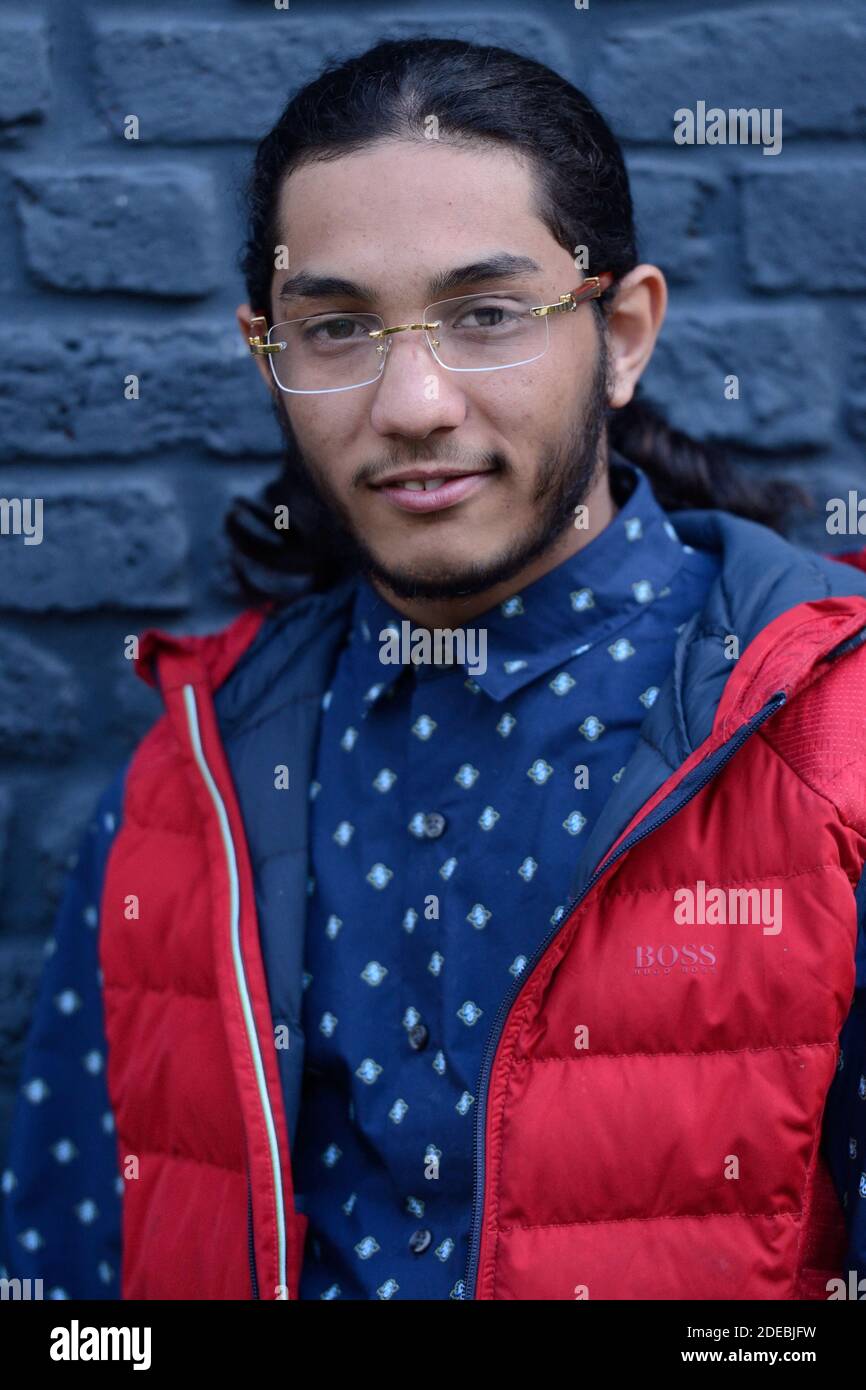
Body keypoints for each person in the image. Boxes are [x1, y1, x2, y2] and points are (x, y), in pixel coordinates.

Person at [2, 36, 865, 1302]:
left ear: (619, 336)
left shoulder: (826, 733)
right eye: (339, 327)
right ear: (270, 359)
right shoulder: (192, 777)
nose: (411, 400)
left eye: (485, 315)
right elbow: (68, 1279)